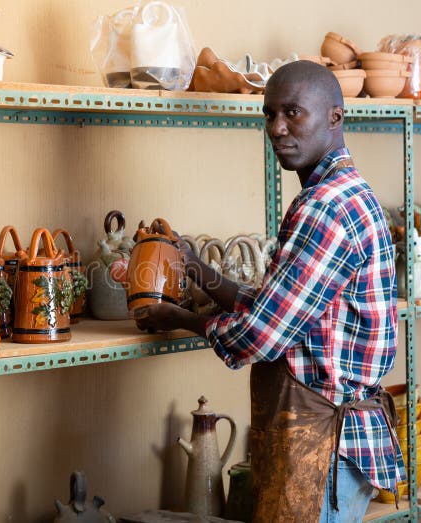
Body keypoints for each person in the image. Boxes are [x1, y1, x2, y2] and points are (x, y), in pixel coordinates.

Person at [135, 60, 404, 523]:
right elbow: (281, 311)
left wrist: (178, 319)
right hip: (331, 439)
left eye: (293, 113)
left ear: (335, 117)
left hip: (325, 445)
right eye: (269, 114)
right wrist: (195, 267)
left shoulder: (326, 207)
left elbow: (263, 332)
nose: (278, 128)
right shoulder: (343, 194)